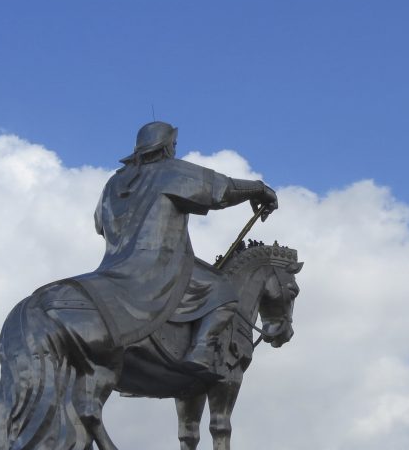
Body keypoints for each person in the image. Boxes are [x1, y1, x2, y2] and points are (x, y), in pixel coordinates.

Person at [83, 121, 277, 379]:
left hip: (112, 268)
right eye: (173, 145)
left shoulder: (113, 183)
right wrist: (259, 188)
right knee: (223, 291)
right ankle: (201, 351)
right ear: (164, 146)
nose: (174, 150)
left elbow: (99, 225)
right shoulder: (170, 171)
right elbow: (222, 190)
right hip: (158, 267)